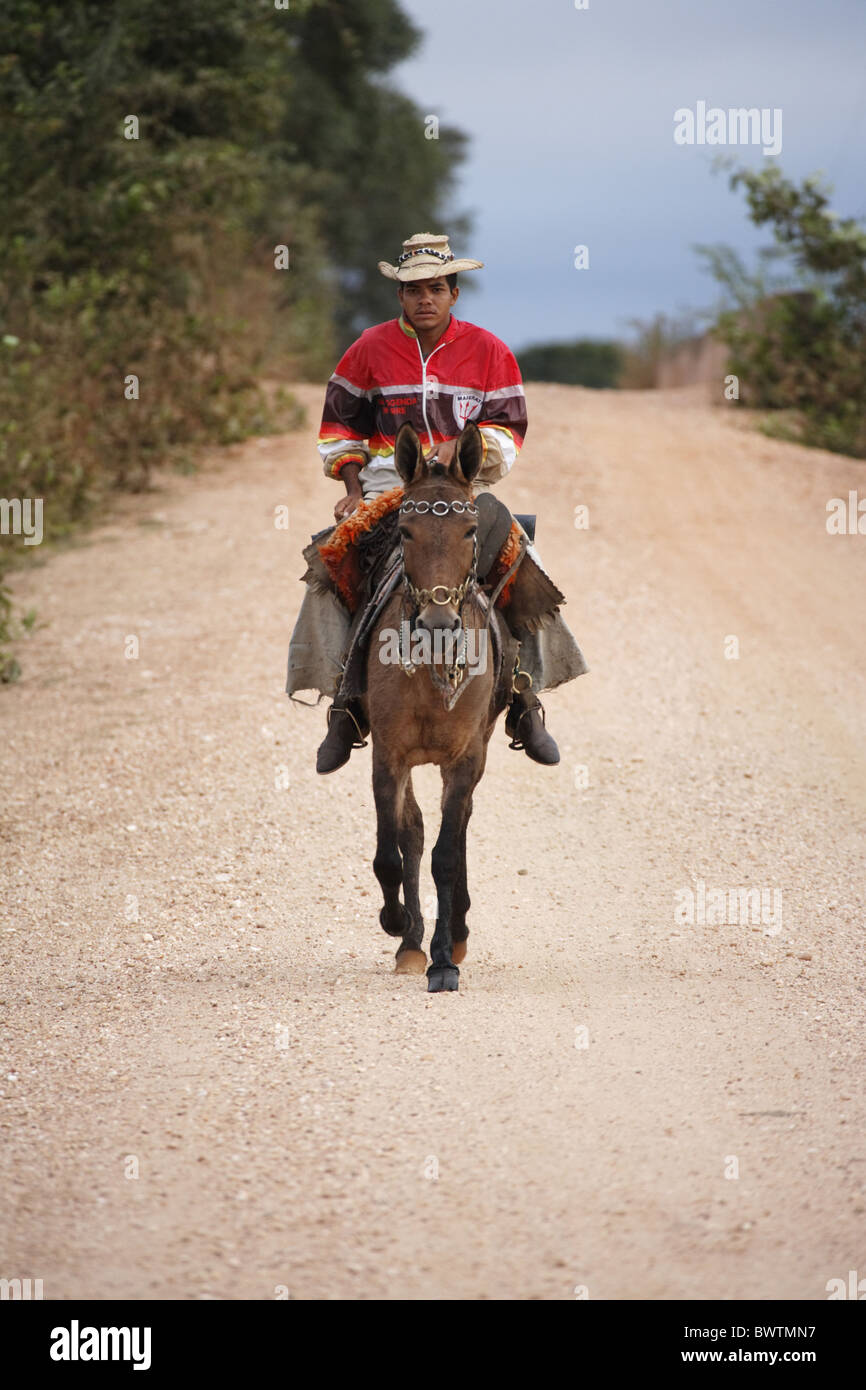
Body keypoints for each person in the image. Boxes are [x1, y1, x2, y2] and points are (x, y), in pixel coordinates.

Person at [286, 232, 588, 772]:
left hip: (464, 493)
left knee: (523, 563)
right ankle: (346, 705)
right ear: (400, 298)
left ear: (454, 294)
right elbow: (339, 428)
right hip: (387, 491)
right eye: (413, 291)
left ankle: (524, 700)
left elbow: (510, 427)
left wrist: (467, 450)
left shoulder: (490, 351)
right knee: (330, 566)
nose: (425, 299)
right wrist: (352, 490)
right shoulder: (368, 349)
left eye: (435, 289)